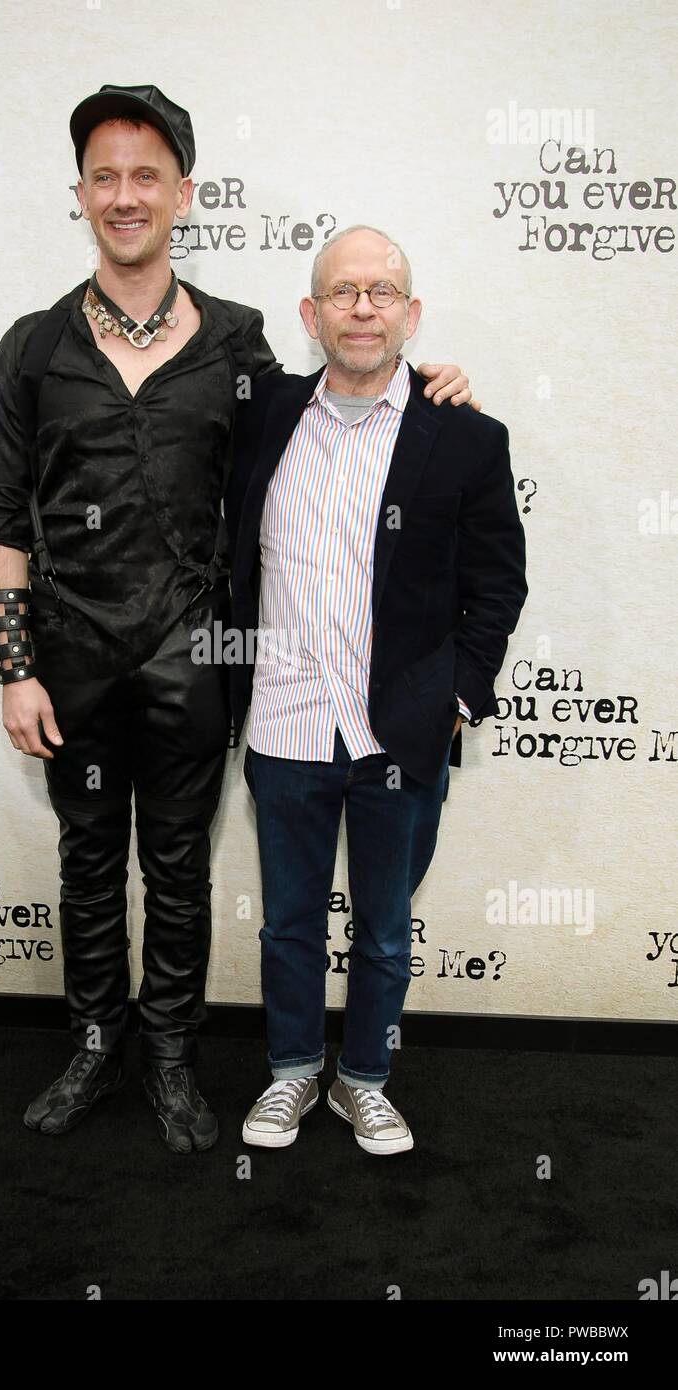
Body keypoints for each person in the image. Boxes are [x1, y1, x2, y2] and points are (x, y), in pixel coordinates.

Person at [0, 85, 477, 1155]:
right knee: (86, 859)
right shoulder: (28, 348)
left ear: (181, 196)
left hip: (197, 656)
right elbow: (1, 516)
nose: (125, 195)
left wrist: (428, 387)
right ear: (79, 194)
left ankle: (168, 1056)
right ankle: (94, 1043)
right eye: (104, 176)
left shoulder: (241, 344)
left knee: (180, 864)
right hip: (67, 658)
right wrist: (15, 668)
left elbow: (339, 407)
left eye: (145, 176)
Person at [225, 225, 528, 1155]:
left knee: (386, 933)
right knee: (286, 925)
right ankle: (290, 1073)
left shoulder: (467, 438)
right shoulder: (259, 414)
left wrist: (458, 699)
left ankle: (364, 1079)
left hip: (400, 730)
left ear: (412, 313)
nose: (364, 307)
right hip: (282, 722)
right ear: (310, 316)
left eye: (383, 291)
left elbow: (497, 583)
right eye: (344, 292)